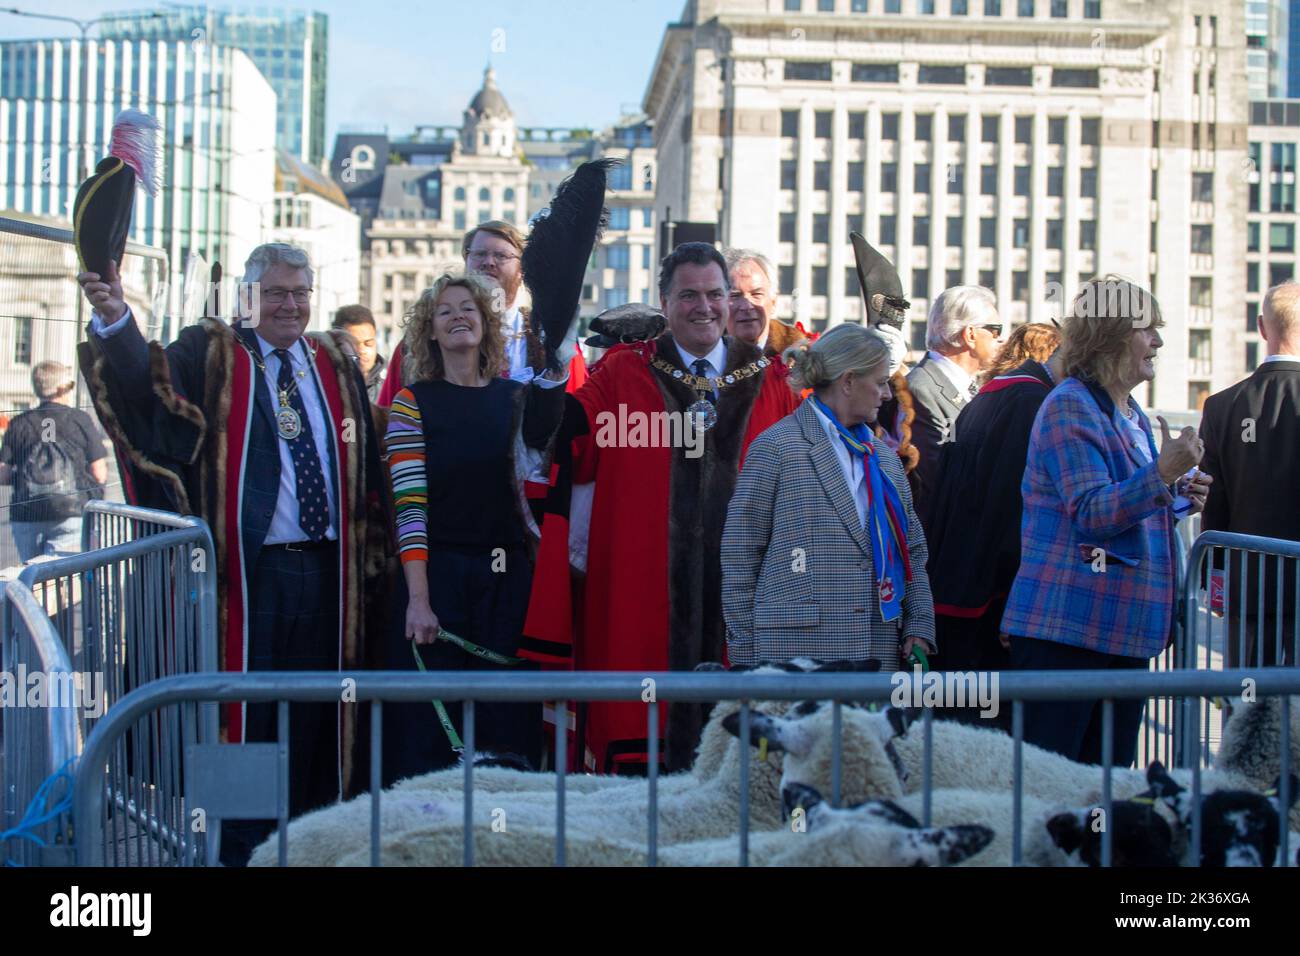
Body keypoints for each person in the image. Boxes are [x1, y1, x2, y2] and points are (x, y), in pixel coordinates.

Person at [76, 242, 384, 866]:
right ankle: (237, 850)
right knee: (243, 712)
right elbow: (147, 392)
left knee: (319, 709)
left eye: (299, 292)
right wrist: (115, 320)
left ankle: (309, 841)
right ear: (249, 297)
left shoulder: (333, 361)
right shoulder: (212, 352)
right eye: (275, 293)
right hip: (246, 575)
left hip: (330, 573)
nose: (289, 305)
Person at [522, 242, 801, 773]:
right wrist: (553, 365)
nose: (705, 307)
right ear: (664, 302)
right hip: (639, 603)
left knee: (740, 780)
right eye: (688, 295)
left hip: (744, 608)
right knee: (636, 783)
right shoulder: (623, 374)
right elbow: (560, 444)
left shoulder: (773, 382)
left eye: (715, 295)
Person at [1000, 278, 1210, 767]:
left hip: (1118, 635)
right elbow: (1093, 512)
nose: (1157, 341)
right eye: (1148, 330)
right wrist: (1163, 473)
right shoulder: (1070, 405)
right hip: (1070, 635)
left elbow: (1124, 504)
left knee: (1104, 794)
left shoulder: (1128, 410)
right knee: (1052, 794)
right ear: (1112, 336)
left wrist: (1177, 497)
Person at [383, 273, 565, 779]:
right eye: (445, 311)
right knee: (431, 732)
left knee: (507, 723)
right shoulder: (411, 402)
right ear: (431, 332)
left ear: (486, 325)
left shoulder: (516, 398)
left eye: (469, 308)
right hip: (437, 578)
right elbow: (410, 507)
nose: (458, 316)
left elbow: (552, 456)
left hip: (508, 584)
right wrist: (419, 600)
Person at [722, 324, 934, 669]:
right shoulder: (776, 448)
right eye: (880, 382)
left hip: (875, 651)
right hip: (795, 657)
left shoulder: (882, 459)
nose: (886, 394)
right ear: (848, 381)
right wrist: (746, 660)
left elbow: (911, 549)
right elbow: (740, 555)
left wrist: (919, 625)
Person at [924, 323, 1062, 722]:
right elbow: (1012, 509)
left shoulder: (990, 394)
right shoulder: (1030, 402)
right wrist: (1014, 598)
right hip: (990, 601)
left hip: (957, 588)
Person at [376, 220, 588, 407]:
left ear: (523, 270)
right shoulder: (417, 342)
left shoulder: (552, 339)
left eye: (501, 256)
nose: (488, 262)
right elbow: (390, 417)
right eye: (479, 254)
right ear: (466, 262)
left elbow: (573, 417)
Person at [1199, 281, 1300, 667]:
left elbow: (1214, 503)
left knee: (1245, 702)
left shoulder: (1223, 406)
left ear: (1261, 327)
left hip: (1249, 585)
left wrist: (1216, 581)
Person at [907, 286, 1003, 529]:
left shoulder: (971, 386)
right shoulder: (921, 388)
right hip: (938, 541)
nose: (1000, 338)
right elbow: (942, 473)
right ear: (970, 334)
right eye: (995, 330)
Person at [0, 361, 108, 562]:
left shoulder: (18, 424)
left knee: (32, 577)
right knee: (61, 578)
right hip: (71, 511)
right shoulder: (79, 419)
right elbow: (99, 473)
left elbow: (3, 475)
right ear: (61, 389)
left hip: (27, 513)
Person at [723, 248, 809, 357]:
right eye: (735, 296)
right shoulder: (702, 354)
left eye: (756, 294)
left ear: (773, 301)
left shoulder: (801, 357)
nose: (746, 306)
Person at [331, 305, 386, 402]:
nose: (361, 351)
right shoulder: (321, 387)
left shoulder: (387, 393)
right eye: (353, 344)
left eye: (368, 344)